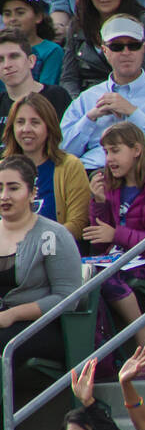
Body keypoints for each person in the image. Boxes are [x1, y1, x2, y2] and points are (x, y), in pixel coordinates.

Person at [84, 121, 145, 353]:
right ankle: (104, 353)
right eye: (106, 152)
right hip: (114, 258)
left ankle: (144, 338)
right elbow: (99, 244)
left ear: (136, 150)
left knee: (101, 278)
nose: (108, 159)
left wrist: (116, 234)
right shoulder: (110, 184)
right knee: (75, 273)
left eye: (115, 150)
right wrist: (98, 202)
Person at [61, 16, 145, 172]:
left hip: (143, 175)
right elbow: (63, 153)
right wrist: (89, 119)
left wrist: (132, 112)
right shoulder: (87, 98)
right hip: (91, 172)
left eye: (133, 45)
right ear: (105, 51)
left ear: (143, 48)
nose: (126, 52)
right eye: (117, 47)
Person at [0, 155, 81, 366]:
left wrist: (13, 315)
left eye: (13, 188)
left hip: (41, 327)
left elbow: (68, 298)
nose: (4, 196)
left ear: (32, 193)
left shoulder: (52, 235)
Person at [1, 92, 88, 238]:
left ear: (49, 127)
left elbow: (77, 224)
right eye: (20, 122)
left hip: (53, 253)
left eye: (35, 122)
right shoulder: (2, 168)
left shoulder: (70, 166)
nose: (26, 129)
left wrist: (36, 244)